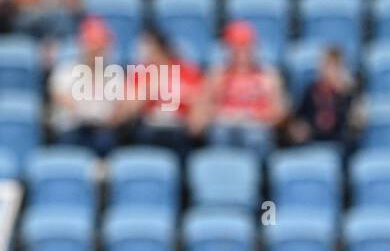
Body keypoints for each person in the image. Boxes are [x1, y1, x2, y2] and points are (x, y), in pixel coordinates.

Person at [196, 20, 287, 157]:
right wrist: (221, 114)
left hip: (256, 126)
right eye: (236, 46)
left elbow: (280, 113)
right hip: (226, 124)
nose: (241, 52)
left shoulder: (267, 75)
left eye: (246, 46)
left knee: (254, 137)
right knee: (220, 133)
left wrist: (255, 116)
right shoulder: (218, 74)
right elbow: (201, 111)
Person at [48, 15, 129, 156]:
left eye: (100, 48)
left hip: (102, 130)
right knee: (70, 141)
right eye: (92, 48)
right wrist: (90, 112)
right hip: (72, 130)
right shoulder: (66, 70)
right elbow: (61, 98)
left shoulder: (115, 74)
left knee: (107, 140)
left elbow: (118, 110)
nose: (96, 53)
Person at [125, 28, 204, 158]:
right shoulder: (140, 73)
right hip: (150, 127)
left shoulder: (186, 71)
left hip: (179, 128)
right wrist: (148, 92)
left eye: (147, 48)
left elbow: (199, 102)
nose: (143, 53)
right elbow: (128, 109)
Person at [284, 45, 362, 153]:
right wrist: (299, 128)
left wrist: (345, 93)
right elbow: (299, 117)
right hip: (312, 137)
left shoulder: (349, 94)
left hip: (338, 139)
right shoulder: (311, 89)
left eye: (334, 67)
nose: (328, 71)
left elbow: (354, 123)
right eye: (326, 65)